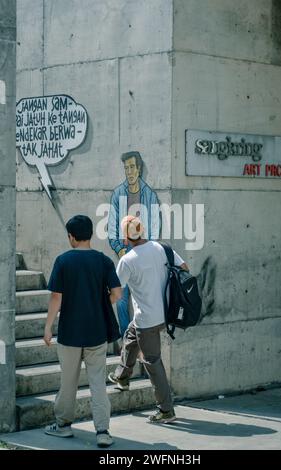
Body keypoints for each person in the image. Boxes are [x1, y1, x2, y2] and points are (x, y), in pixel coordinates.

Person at [43, 215, 122, 447]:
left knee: (68, 381)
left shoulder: (63, 261)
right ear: (90, 234)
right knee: (98, 382)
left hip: (69, 333)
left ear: (72, 236)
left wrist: (48, 327)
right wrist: (101, 303)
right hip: (97, 332)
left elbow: (57, 297)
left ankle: (64, 426)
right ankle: (103, 432)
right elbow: (118, 294)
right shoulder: (103, 261)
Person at [108, 215, 188, 424]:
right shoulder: (161, 248)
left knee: (152, 362)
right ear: (142, 232)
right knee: (131, 334)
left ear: (126, 238)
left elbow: (116, 292)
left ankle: (166, 410)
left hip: (148, 320)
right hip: (166, 314)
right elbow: (185, 268)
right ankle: (122, 377)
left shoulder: (128, 260)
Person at [108, 151, 160, 337]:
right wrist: (120, 250)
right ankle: (125, 337)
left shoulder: (150, 195)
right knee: (121, 297)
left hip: (144, 249)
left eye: (132, 167)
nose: (129, 172)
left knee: (144, 295)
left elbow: (154, 229)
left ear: (139, 169)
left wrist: (144, 250)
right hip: (124, 251)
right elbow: (112, 229)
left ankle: (142, 334)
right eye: (126, 168)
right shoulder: (118, 194)